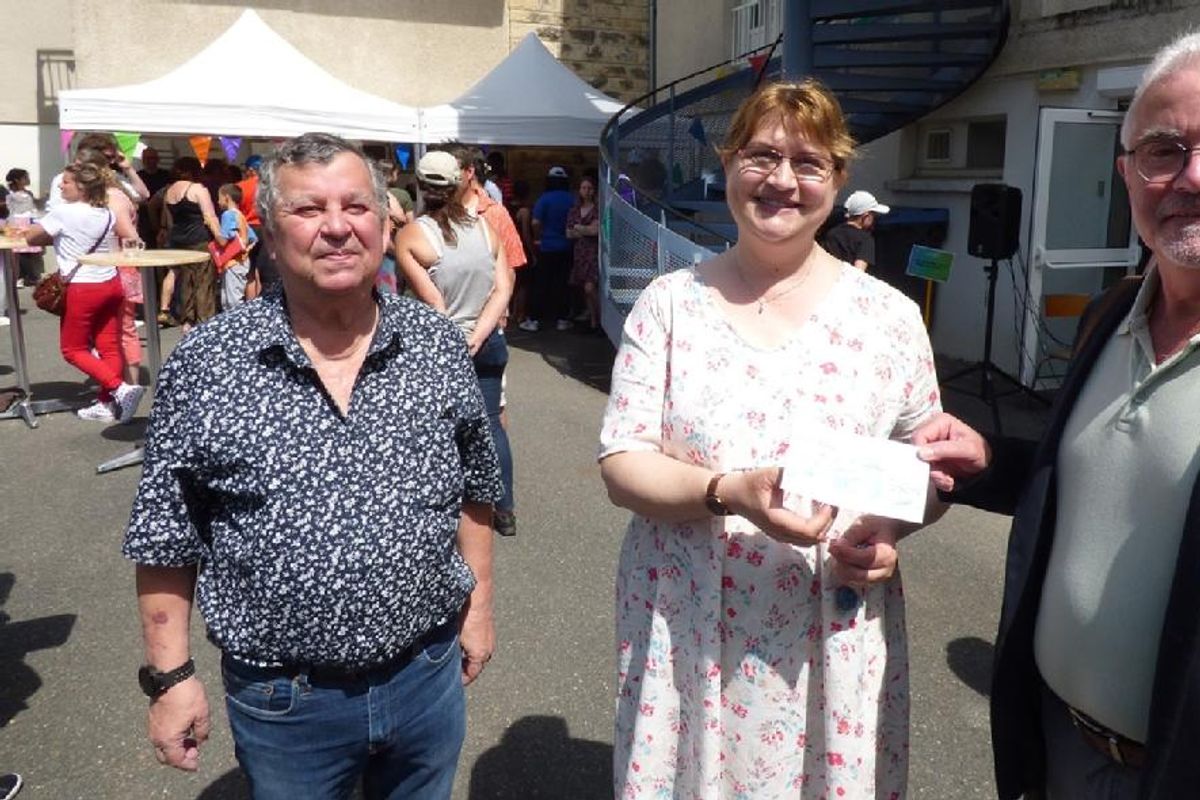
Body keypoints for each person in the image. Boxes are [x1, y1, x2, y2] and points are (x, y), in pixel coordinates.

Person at [122, 133, 502, 799]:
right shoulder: (209, 362)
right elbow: (165, 535)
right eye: (307, 210)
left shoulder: (437, 346)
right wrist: (171, 679)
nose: (335, 227)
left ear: (386, 223)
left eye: (356, 206)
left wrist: (479, 610)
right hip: (285, 700)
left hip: (427, 674)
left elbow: (476, 486)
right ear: (266, 230)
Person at [598, 79, 944, 798]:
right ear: (727, 165)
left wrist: (888, 530)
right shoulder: (670, 306)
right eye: (760, 155)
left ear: (839, 179)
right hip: (687, 628)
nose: (782, 180)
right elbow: (621, 463)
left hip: (833, 635)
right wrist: (727, 493)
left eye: (809, 162)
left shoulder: (890, 319)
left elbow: (925, 473)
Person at [913, 31, 1200, 800]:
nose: (1191, 176)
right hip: (1055, 744)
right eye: (1165, 148)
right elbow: (1094, 470)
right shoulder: (1109, 316)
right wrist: (992, 462)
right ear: (1127, 173)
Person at [395, 150, 517, 538]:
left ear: (420, 186)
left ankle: (444, 509)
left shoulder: (413, 235)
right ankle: (504, 506)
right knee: (492, 425)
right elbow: (504, 287)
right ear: (458, 184)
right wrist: (480, 334)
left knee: (436, 429)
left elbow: (433, 302)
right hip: (487, 341)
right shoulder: (485, 229)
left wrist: (456, 340)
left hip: (439, 346)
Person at [23, 162, 145, 424]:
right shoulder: (106, 213)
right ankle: (107, 402)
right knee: (109, 347)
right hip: (111, 282)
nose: (60, 185)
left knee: (73, 349)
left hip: (83, 286)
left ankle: (120, 388)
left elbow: (32, 237)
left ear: (81, 187)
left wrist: (48, 235)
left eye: (66, 182)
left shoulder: (62, 212)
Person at [160, 156, 222, 329]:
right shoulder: (197, 189)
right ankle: (205, 321)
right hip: (199, 240)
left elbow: (169, 219)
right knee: (204, 281)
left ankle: (187, 320)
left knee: (185, 282)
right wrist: (220, 238)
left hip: (179, 240)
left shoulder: (169, 191)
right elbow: (209, 216)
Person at [520, 166, 574, 332]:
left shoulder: (544, 199)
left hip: (547, 247)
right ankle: (562, 319)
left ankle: (534, 319)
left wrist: (538, 237)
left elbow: (535, 223)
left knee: (541, 284)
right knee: (563, 283)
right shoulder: (572, 199)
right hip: (567, 247)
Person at [820, 189, 889, 271]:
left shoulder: (832, 233)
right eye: (873, 215)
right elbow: (858, 272)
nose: (874, 219)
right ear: (866, 216)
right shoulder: (865, 239)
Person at [214, 183, 257, 311]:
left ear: (227, 198)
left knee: (230, 301)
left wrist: (213, 227)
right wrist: (245, 248)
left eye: (219, 197)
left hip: (232, 262)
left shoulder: (228, 215)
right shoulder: (240, 215)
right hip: (242, 261)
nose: (218, 201)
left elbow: (223, 241)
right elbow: (253, 238)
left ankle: (236, 326)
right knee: (234, 297)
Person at [565, 176, 600, 333]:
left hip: (593, 253)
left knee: (590, 287)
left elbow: (596, 230)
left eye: (589, 188)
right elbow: (568, 233)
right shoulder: (574, 210)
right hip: (579, 253)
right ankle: (592, 320)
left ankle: (597, 320)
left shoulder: (598, 209)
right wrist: (584, 229)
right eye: (583, 188)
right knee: (583, 288)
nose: (586, 191)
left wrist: (580, 228)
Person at [4, 169, 44, 288]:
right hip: (15, 223)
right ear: (17, 180)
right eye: (25, 177)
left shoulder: (28, 193)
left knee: (29, 251)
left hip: (28, 222)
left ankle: (30, 276)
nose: (28, 179)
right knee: (17, 252)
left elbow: (33, 205)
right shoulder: (9, 194)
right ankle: (19, 276)